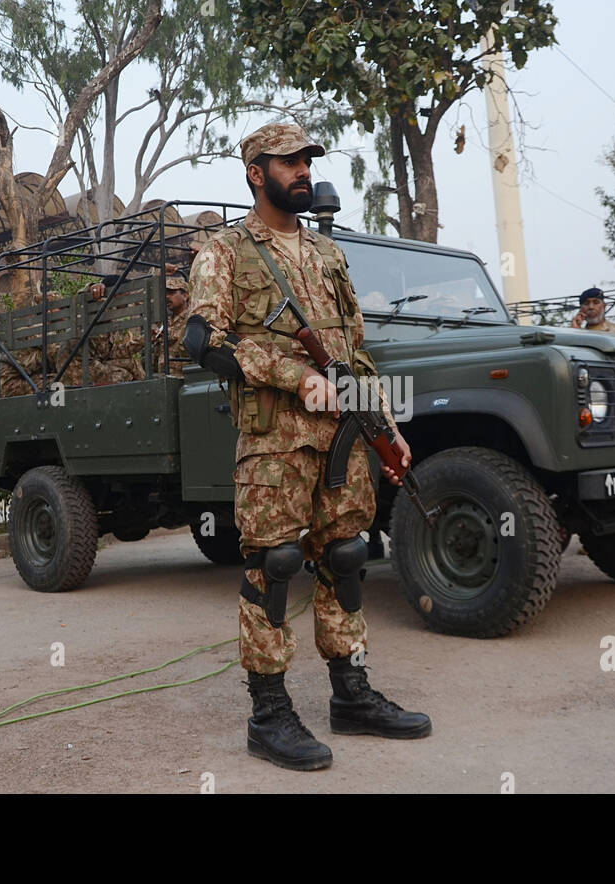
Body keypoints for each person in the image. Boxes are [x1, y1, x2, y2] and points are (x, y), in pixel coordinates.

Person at [184, 121, 431, 771]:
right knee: (276, 563)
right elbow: (202, 343)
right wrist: (298, 377)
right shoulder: (225, 250)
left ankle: (351, 694)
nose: (301, 170)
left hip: (344, 440)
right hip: (275, 442)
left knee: (347, 556)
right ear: (254, 173)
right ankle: (269, 714)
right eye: (286, 161)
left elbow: (355, 351)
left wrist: (385, 427)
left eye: (305, 160)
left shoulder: (327, 254)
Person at [152, 274, 192, 374]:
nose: (167, 297)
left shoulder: (192, 320)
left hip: (184, 378)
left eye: (172, 292)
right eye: (165, 294)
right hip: (163, 377)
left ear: (185, 295)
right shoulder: (165, 323)